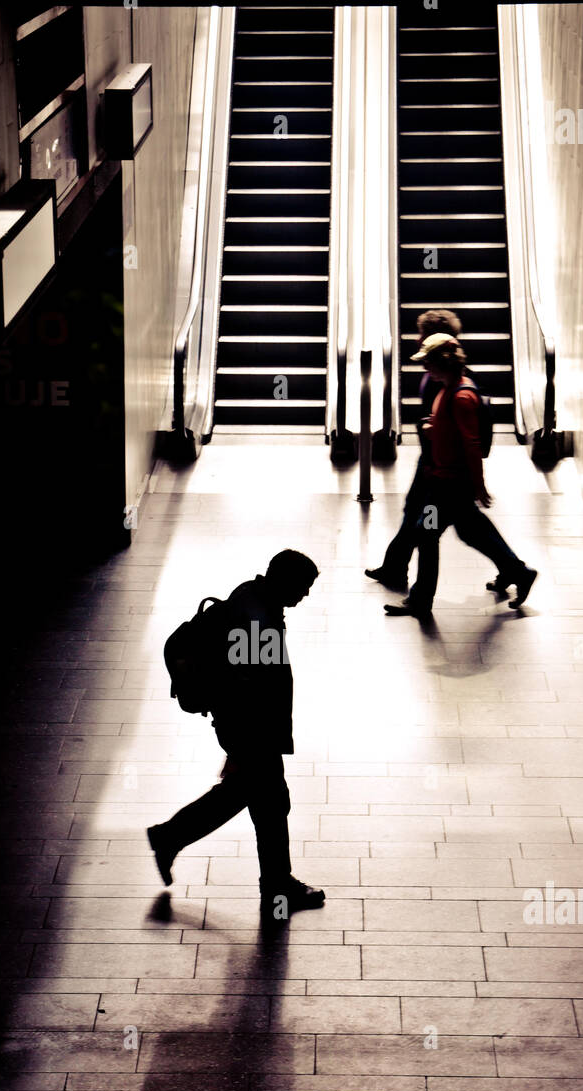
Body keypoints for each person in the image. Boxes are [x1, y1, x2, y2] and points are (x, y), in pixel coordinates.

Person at [147, 550, 325, 927]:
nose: (306, 595)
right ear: (285, 580)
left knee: (260, 799)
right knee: (267, 800)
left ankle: (173, 838)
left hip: (244, 726)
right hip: (250, 727)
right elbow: (253, 692)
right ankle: (275, 885)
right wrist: (247, 746)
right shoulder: (258, 622)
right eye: (304, 587)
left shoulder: (250, 595)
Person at [384, 334, 537, 617]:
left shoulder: (462, 397)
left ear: (444, 362)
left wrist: (479, 486)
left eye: (428, 362)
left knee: (426, 534)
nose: (425, 368)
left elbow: (472, 444)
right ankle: (518, 571)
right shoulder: (448, 388)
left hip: (450, 485)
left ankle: (420, 600)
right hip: (443, 481)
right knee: (471, 531)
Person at [366, 308, 464, 591]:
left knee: (447, 525)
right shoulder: (437, 370)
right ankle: (394, 567)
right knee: (425, 517)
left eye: (423, 333)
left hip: (437, 461)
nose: (418, 338)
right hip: (433, 458)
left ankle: (400, 574)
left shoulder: (444, 375)